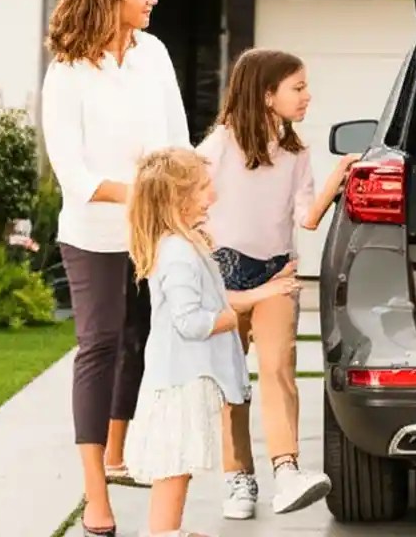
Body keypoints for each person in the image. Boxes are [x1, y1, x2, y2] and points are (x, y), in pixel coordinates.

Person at [41, 0, 191, 536]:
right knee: (100, 344)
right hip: (94, 233)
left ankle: (117, 453)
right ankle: (95, 496)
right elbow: (72, 175)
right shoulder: (68, 72)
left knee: (143, 341)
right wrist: (143, 195)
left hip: (155, 232)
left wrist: (185, 202)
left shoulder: (153, 55)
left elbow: (177, 141)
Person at [196, 48, 359, 519]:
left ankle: (286, 470)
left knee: (278, 370)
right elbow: (188, 207)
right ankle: (238, 478)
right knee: (231, 381)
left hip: (276, 271)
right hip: (224, 273)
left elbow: (306, 218)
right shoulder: (217, 148)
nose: (308, 96)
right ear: (268, 95)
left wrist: (338, 176)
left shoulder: (297, 153)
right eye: (298, 87)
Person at [122, 147, 251, 537]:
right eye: (203, 188)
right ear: (177, 199)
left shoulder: (184, 244)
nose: (212, 195)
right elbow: (189, 321)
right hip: (177, 385)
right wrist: (229, 319)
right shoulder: (177, 251)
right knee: (174, 467)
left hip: (181, 380)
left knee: (178, 469)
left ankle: (169, 531)